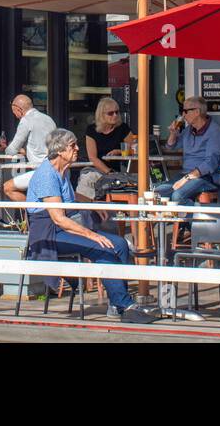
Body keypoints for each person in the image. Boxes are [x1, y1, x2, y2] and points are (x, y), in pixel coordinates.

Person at [27, 129, 155, 324]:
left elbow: (68, 197)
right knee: (102, 247)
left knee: (119, 243)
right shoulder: (47, 174)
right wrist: (91, 235)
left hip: (63, 226)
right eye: (73, 145)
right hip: (50, 233)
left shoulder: (63, 170)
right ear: (60, 150)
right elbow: (58, 217)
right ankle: (124, 305)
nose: (78, 148)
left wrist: (93, 204)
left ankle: (115, 303)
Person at [155, 96, 220, 206]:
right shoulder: (189, 130)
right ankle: (177, 220)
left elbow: (210, 164)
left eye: (185, 111)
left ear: (197, 112)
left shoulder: (215, 132)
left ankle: (192, 221)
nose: (183, 115)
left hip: (207, 178)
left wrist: (186, 179)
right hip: (186, 174)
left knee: (178, 196)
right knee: (158, 192)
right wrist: (173, 133)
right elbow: (170, 147)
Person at [1, 94, 57, 203]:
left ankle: (33, 210)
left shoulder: (26, 120)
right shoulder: (48, 119)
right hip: (55, 168)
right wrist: (25, 151)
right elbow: (41, 146)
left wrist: (5, 148)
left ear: (19, 109)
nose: (16, 116)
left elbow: (12, 149)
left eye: (15, 112)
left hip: (41, 170)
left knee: (7, 188)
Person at [76, 97, 129, 201]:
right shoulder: (92, 130)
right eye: (110, 113)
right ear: (101, 114)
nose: (115, 115)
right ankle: (86, 208)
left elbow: (133, 149)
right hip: (99, 169)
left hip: (120, 171)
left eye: (117, 112)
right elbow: (92, 157)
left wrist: (119, 152)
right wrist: (108, 172)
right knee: (88, 179)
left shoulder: (123, 128)